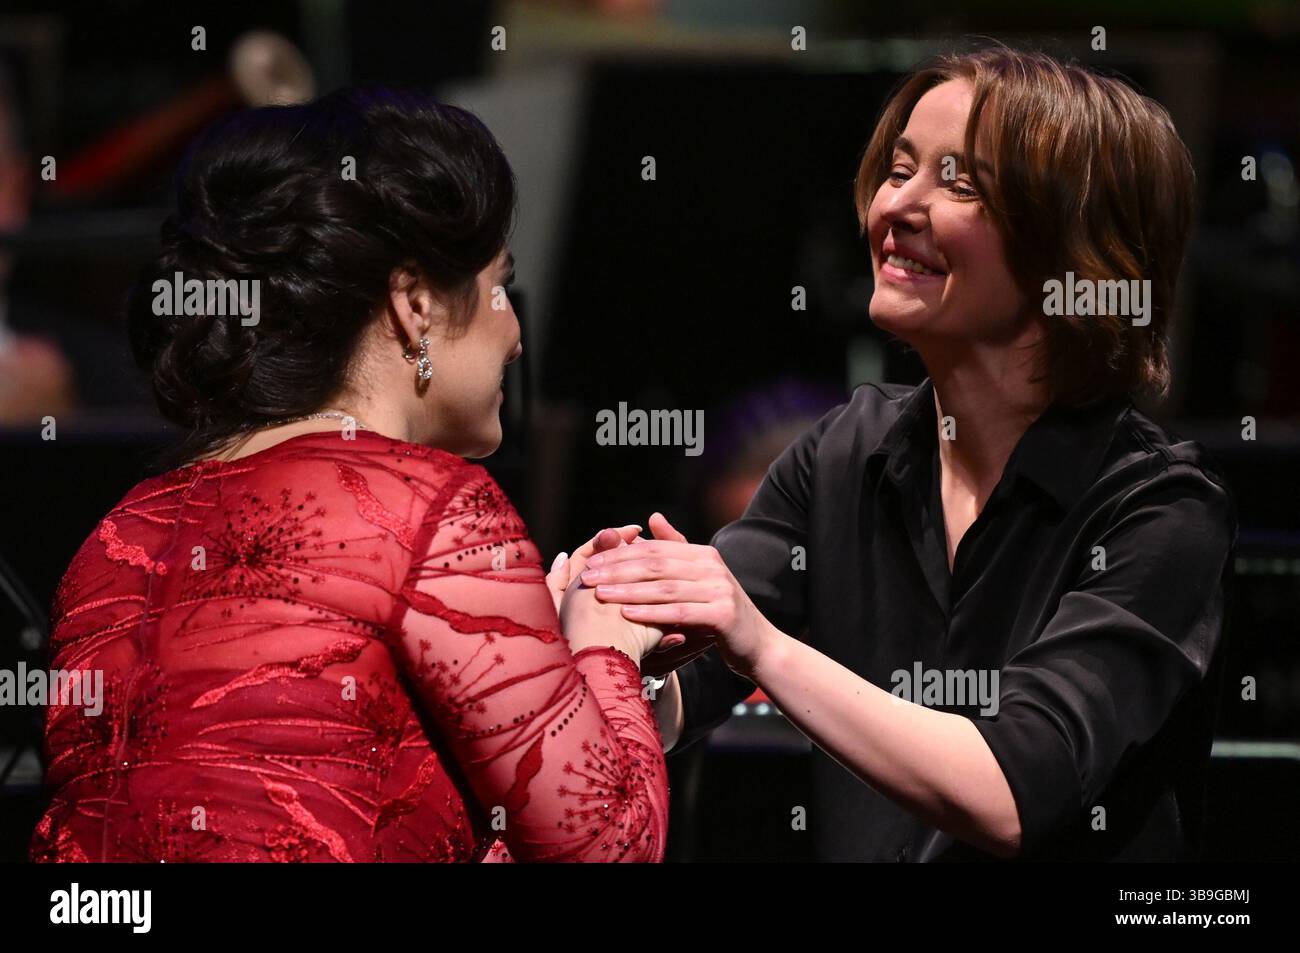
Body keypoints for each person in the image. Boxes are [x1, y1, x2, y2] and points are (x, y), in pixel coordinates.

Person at [573, 46, 1239, 861]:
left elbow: (1011, 791)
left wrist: (761, 643)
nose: (898, 205)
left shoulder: (1161, 512)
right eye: (898, 169)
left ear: (1074, 245)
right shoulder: (844, 451)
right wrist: (610, 636)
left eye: (959, 183)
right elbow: (682, 696)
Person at [30, 86, 668, 862]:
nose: (515, 335)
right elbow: (611, 844)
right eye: (499, 284)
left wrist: (546, 679)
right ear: (414, 304)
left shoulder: (117, 536)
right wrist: (607, 649)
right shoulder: (428, 509)